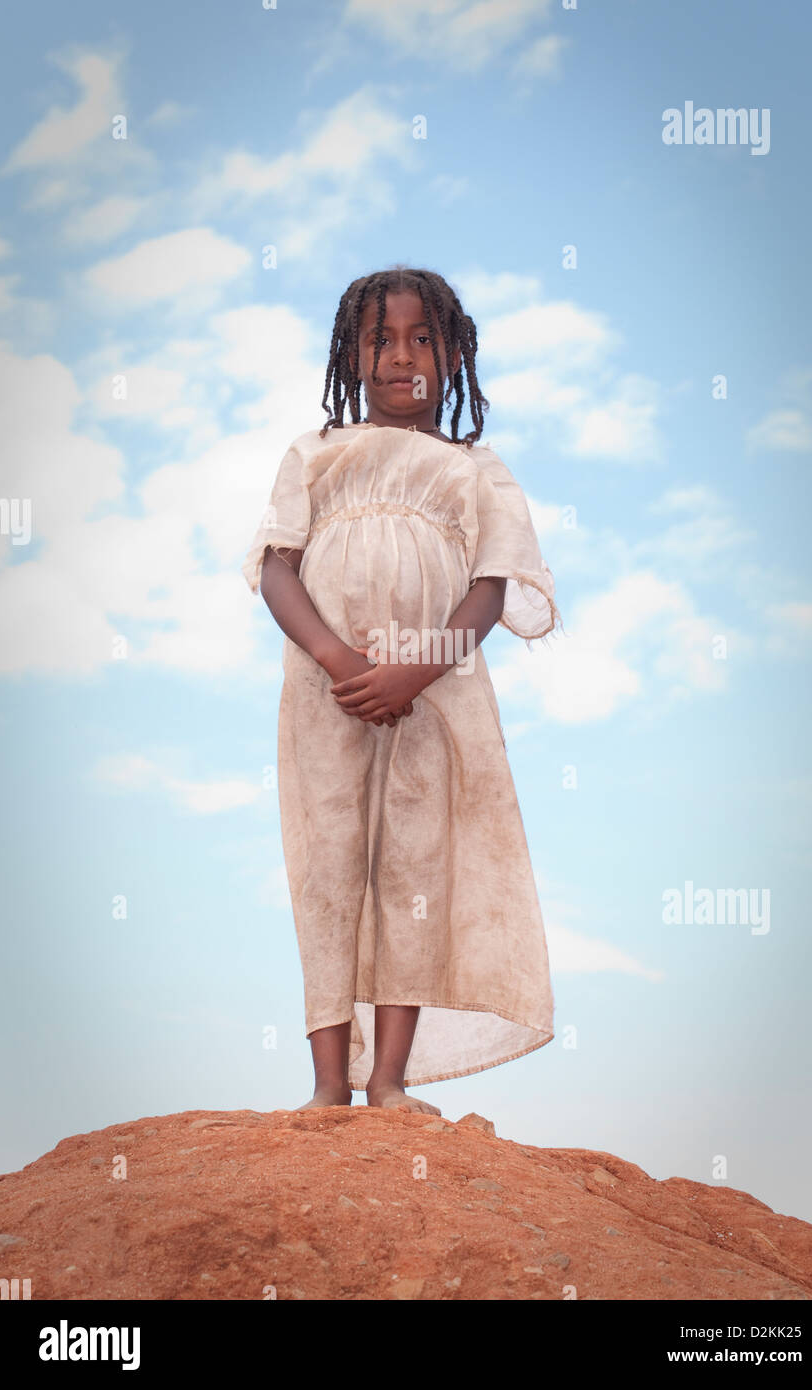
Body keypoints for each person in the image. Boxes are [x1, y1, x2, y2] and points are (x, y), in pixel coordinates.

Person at [242, 265, 564, 1114]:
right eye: (379, 339)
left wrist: (415, 670)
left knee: (412, 870)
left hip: (433, 698)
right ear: (350, 356)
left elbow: (489, 588)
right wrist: (338, 661)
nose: (400, 356)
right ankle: (327, 1085)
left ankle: (387, 1079)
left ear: (453, 356)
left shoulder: (475, 469)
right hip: (328, 691)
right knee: (329, 864)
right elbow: (274, 568)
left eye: (423, 337)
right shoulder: (314, 454)